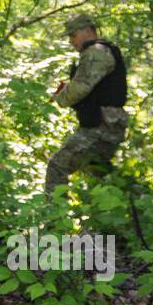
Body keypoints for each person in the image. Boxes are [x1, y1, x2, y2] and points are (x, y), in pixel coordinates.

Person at [45, 13, 129, 197]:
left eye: (73, 35)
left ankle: (55, 221)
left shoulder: (96, 52)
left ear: (88, 31)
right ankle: (142, 209)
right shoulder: (99, 52)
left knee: (57, 165)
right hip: (105, 124)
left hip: (101, 126)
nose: (71, 41)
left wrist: (61, 97)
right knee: (100, 174)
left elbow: (79, 89)